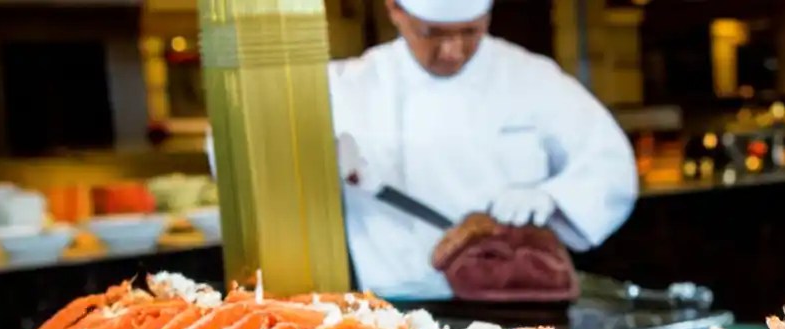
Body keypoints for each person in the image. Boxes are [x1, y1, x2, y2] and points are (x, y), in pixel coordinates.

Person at [208, 0, 637, 300]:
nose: (452, 51)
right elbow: (231, 142)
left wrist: (552, 197)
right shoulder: (347, 86)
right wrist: (306, 152)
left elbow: (611, 167)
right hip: (398, 312)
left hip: (518, 306)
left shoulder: (533, 79)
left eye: (471, 32)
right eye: (432, 33)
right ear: (395, 9)